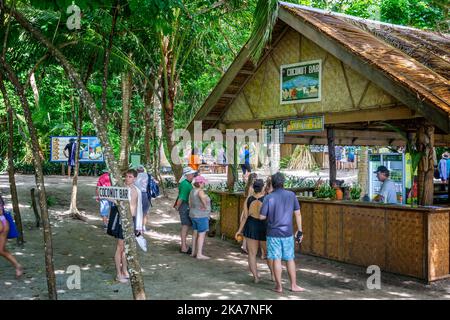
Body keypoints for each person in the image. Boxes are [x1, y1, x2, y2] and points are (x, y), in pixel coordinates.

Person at [260, 172, 304, 293]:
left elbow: (262, 217)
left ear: (272, 184)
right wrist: (300, 231)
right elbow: (298, 214)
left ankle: (279, 286)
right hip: (287, 233)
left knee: (276, 259)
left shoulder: (268, 197)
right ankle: (293, 285)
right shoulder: (291, 195)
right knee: (290, 259)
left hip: (273, 234)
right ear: (283, 183)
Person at [235, 179, 272, 283]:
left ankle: (256, 277)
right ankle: (273, 275)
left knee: (252, 254)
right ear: (263, 188)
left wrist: (239, 230)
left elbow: (245, 217)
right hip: (264, 226)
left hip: (251, 226)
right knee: (269, 253)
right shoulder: (267, 199)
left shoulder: (248, 199)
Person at [113, 169, 144, 283]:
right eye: (126, 176)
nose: (127, 178)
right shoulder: (121, 188)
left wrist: (139, 226)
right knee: (120, 248)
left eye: (130, 176)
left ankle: (125, 270)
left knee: (127, 248)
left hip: (133, 220)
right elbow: (114, 200)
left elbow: (139, 208)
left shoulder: (137, 190)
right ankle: (118, 273)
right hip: (123, 220)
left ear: (135, 178)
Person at [0, 195, 23, 278]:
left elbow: (0, 212)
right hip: (4, 222)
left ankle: (17, 266)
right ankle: (17, 266)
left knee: (1, 250)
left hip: (2, 223)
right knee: (1, 250)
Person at [174, 167, 197, 254]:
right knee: (185, 226)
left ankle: (184, 245)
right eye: (191, 174)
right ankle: (183, 247)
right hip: (185, 206)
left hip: (186, 206)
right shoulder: (185, 184)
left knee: (186, 226)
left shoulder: (186, 183)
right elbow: (181, 197)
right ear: (187, 175)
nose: (193, 175)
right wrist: (177, 206)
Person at [189, 175, 211, 260]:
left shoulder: (192, 191)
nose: (204, 184)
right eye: (203, 183)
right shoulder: (200, 191)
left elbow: (190, 203)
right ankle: (199, 254)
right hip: (201, 215)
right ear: (200, 183)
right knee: (201, 234)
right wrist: (205, 206)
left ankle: (193, 252)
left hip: (193, 214)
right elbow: (202, 198)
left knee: (195, 233)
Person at [135, 165, 150, 231]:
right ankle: (143, 227)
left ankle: (136, 226)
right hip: (145, 194)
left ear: (137, 170)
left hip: (136, 194)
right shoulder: (148, 176)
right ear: (143, 170)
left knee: (136, 211)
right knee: (144, 212)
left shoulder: (134, 177)